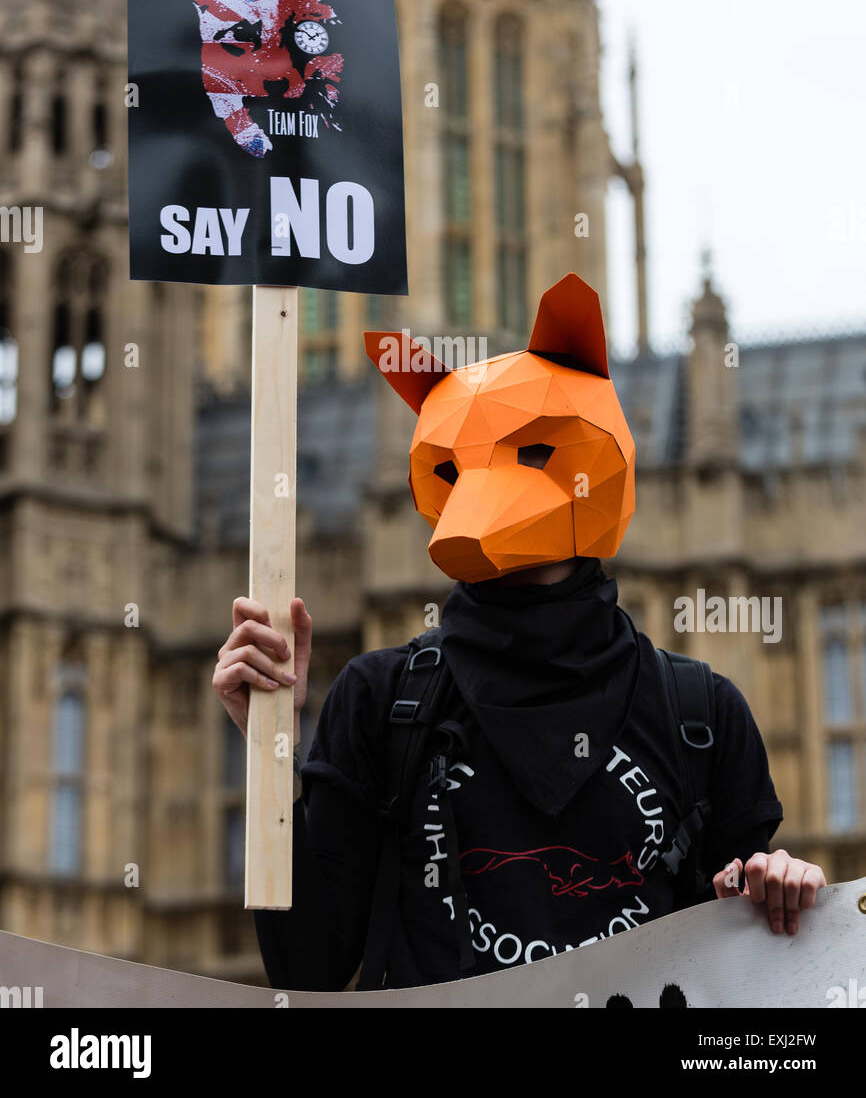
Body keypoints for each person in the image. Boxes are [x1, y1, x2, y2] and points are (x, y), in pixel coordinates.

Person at [212, 275, 826, 991]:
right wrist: (271, 746)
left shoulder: (702, 715)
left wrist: (780, 893)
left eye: (532, 452)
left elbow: (744, 969)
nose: (486, 492)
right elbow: (306, 967)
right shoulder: (382, 700)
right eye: (455, 467)